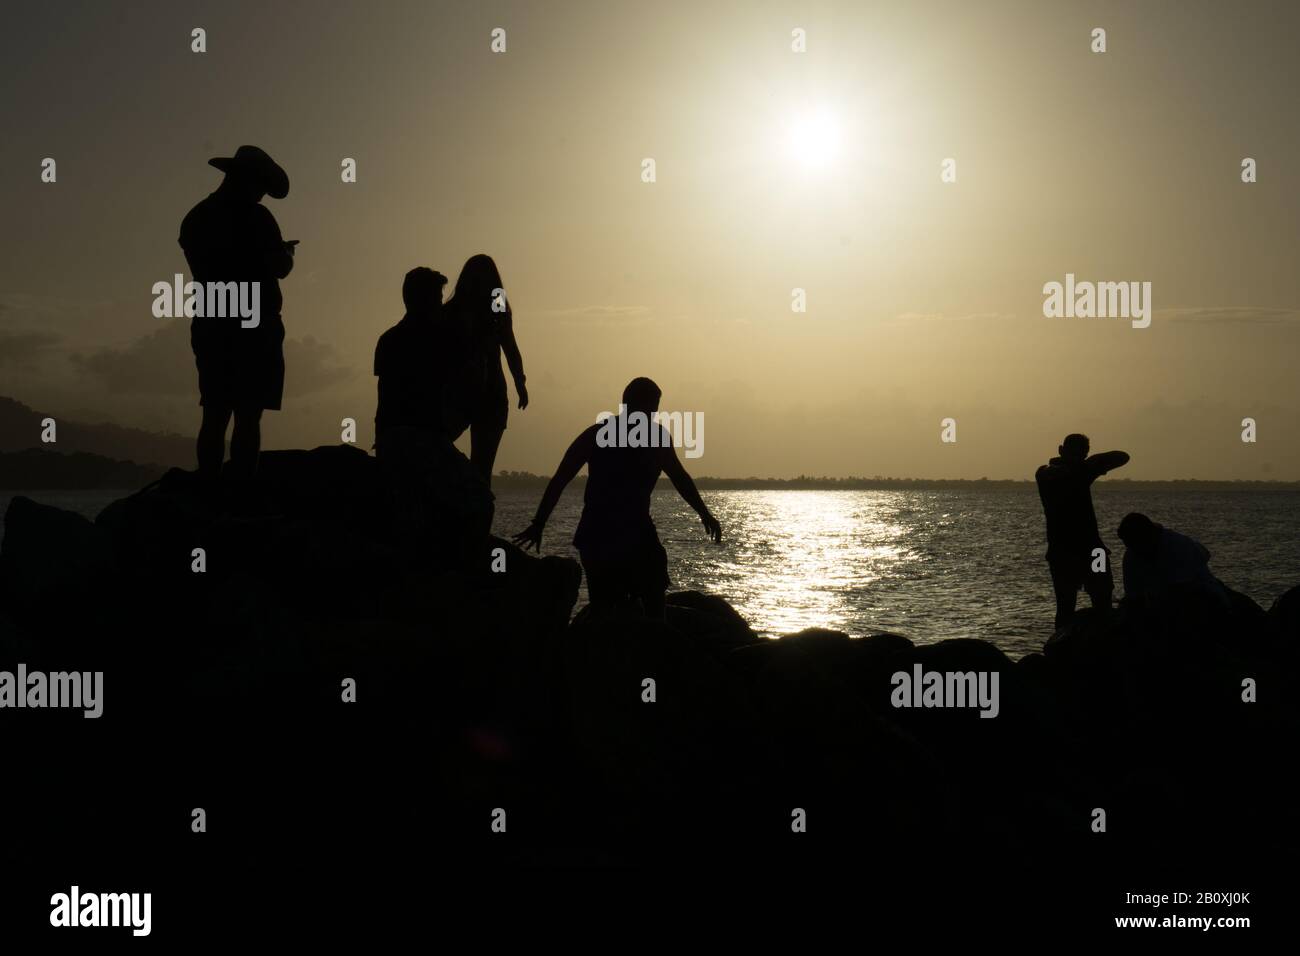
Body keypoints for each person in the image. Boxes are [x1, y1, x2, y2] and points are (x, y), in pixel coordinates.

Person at [512, 378, 721, 619]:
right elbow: (561, 478)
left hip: (628, 533)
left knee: (649, 598)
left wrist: (704, 513)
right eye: (652, 406)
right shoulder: (601, 435)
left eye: (656, 407)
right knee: (610, 607)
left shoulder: (649, 438)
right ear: (631, 405)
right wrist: (538, 523)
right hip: (603, 534)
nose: (654, 412)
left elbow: (679, 477)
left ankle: (648, 645)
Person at [179, 145, 295, 480]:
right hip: (255, 326)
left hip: (212, 321)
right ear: (250, 180)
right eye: (260, 186)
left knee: (214, 414)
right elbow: (279, 267)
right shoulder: (257, 217)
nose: (262, 194)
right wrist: (286, 252)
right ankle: (242, 492)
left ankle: (209, 490)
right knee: (248, 415)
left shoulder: (196, 216)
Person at [443, 254, 528, 485]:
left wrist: (520, 382)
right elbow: (510, 346)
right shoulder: (460, 309)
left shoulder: (458, 308)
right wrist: (520, 383)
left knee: (478, 467)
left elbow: (509, 345)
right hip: (476, 393)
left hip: (476, 392)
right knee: (481, 468)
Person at [1035, 433, 1130, 629]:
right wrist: (1082, 466)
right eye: (1075, 453)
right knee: (1066, 605)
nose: (1078, 457)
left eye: (1082, 454)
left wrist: (1087, 464)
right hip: (1064, 554)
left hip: (1093, 551)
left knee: (1103, 598)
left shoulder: (1084, 470)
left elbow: (1122, 456)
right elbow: (1051, 474)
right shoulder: (1047, 473)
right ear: (1061, 451)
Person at [373, 267, 452, 456]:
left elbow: (384, 402)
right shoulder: (439, 340)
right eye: (437, 298)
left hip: (394, 438)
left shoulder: (388, 339)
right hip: (426, 440)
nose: (440, 305)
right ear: (425, 300)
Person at [1117, 512, 1230, 610]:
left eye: (1135, 544)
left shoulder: (1178, 546)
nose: (1133, 550)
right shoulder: (1132, 554)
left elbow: (1181, 591)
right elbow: (1133, 596)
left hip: (1204, 602)